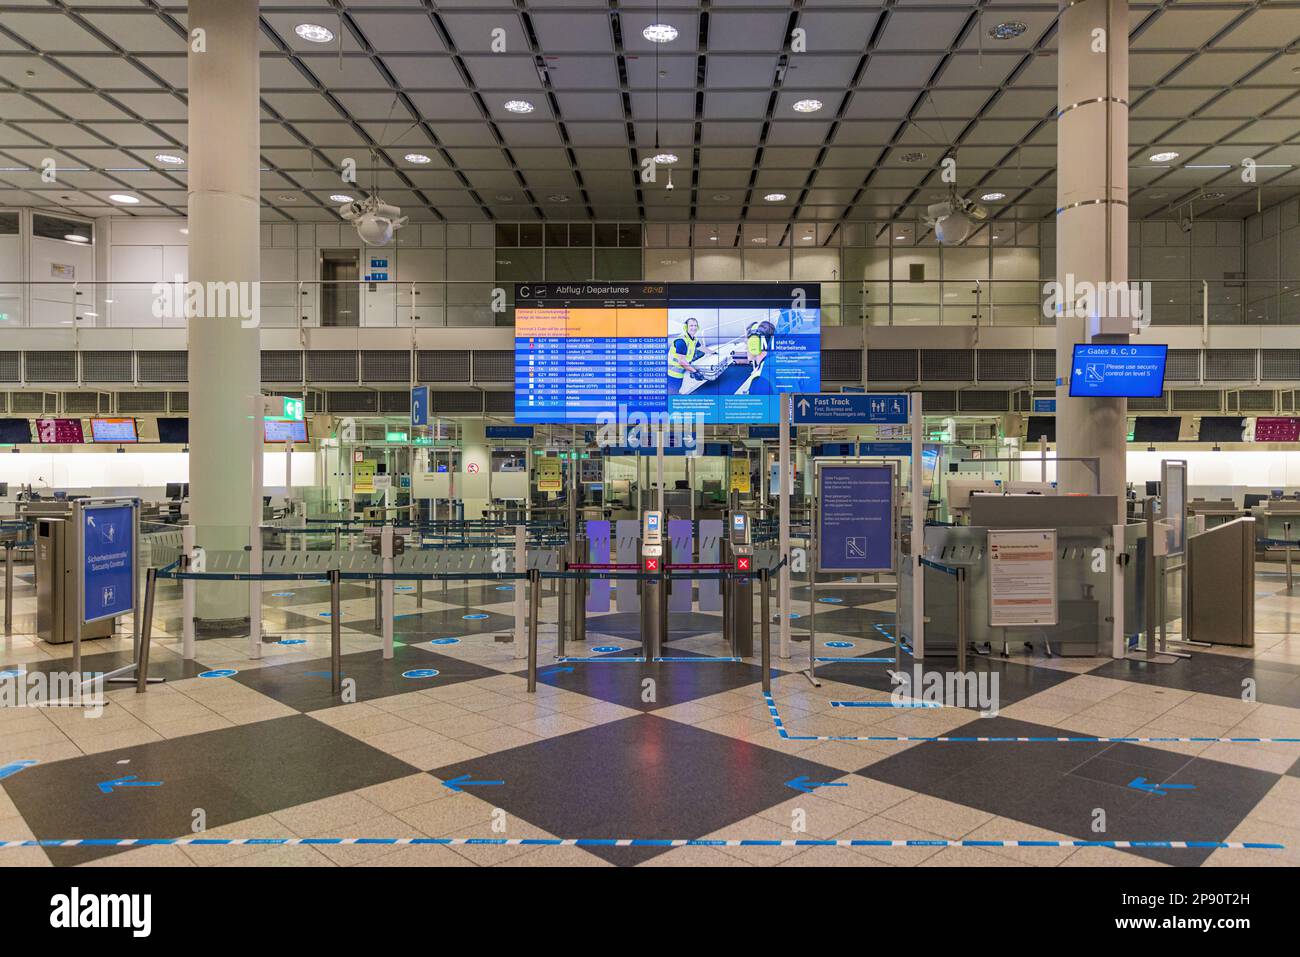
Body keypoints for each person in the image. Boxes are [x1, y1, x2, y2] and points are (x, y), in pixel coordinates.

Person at [666, 317, 716, 394]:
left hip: (680, 371)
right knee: (672, 391)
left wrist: (712, 352)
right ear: (686, 327)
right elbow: (681, 361)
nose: (694, 328)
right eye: (691, 326)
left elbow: (701, 347)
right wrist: (695, 372)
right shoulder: (682, 341)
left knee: (676, 390)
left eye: (695, 326)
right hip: (672, 372)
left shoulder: (694, 339)